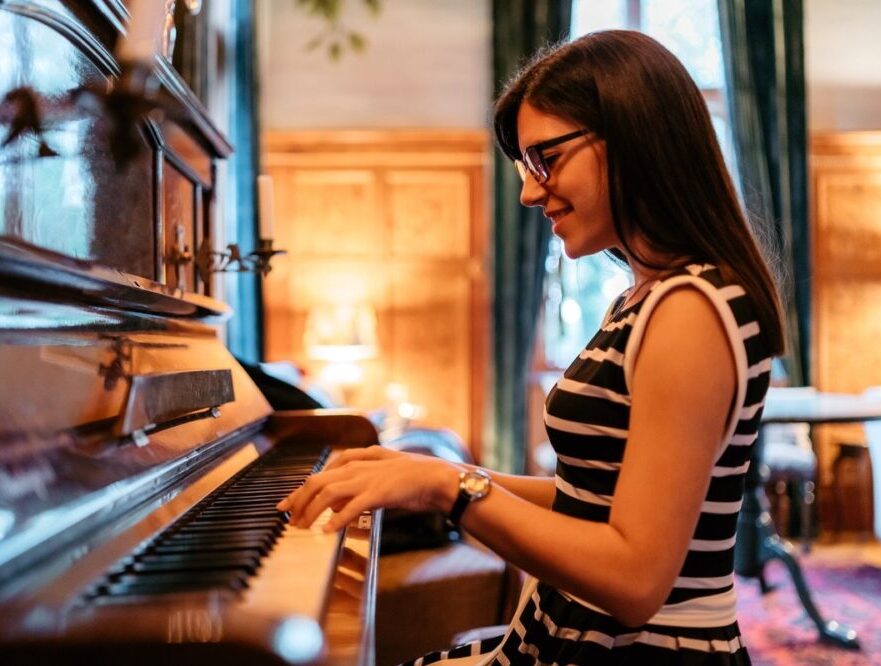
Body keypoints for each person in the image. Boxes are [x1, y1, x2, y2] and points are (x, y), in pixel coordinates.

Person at [278, 30, 784, 665]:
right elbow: (593, 500)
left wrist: (450, 490)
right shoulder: (651, 297)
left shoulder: (690, 310)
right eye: (526, 165)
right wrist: (424, 477)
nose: (529, 191)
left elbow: (635, 583)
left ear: (631, 136)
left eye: (546, 157)